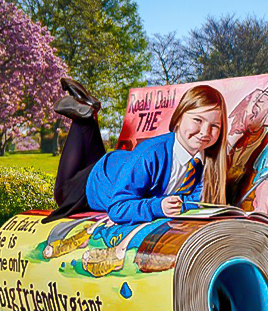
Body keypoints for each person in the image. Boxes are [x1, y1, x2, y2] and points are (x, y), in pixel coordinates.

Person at [45, 78, 228, 224]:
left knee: (100, 161)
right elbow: (117, 208)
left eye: (215, 126)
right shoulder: (152, 153)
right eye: (197, 120)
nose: (205, 132)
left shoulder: (204, 163)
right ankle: (82, 120)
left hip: (118, 166)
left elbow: (191, 203)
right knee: (62, 193)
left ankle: (88, 110)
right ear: (178, 118)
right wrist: (158, 207)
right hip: (97, 182)